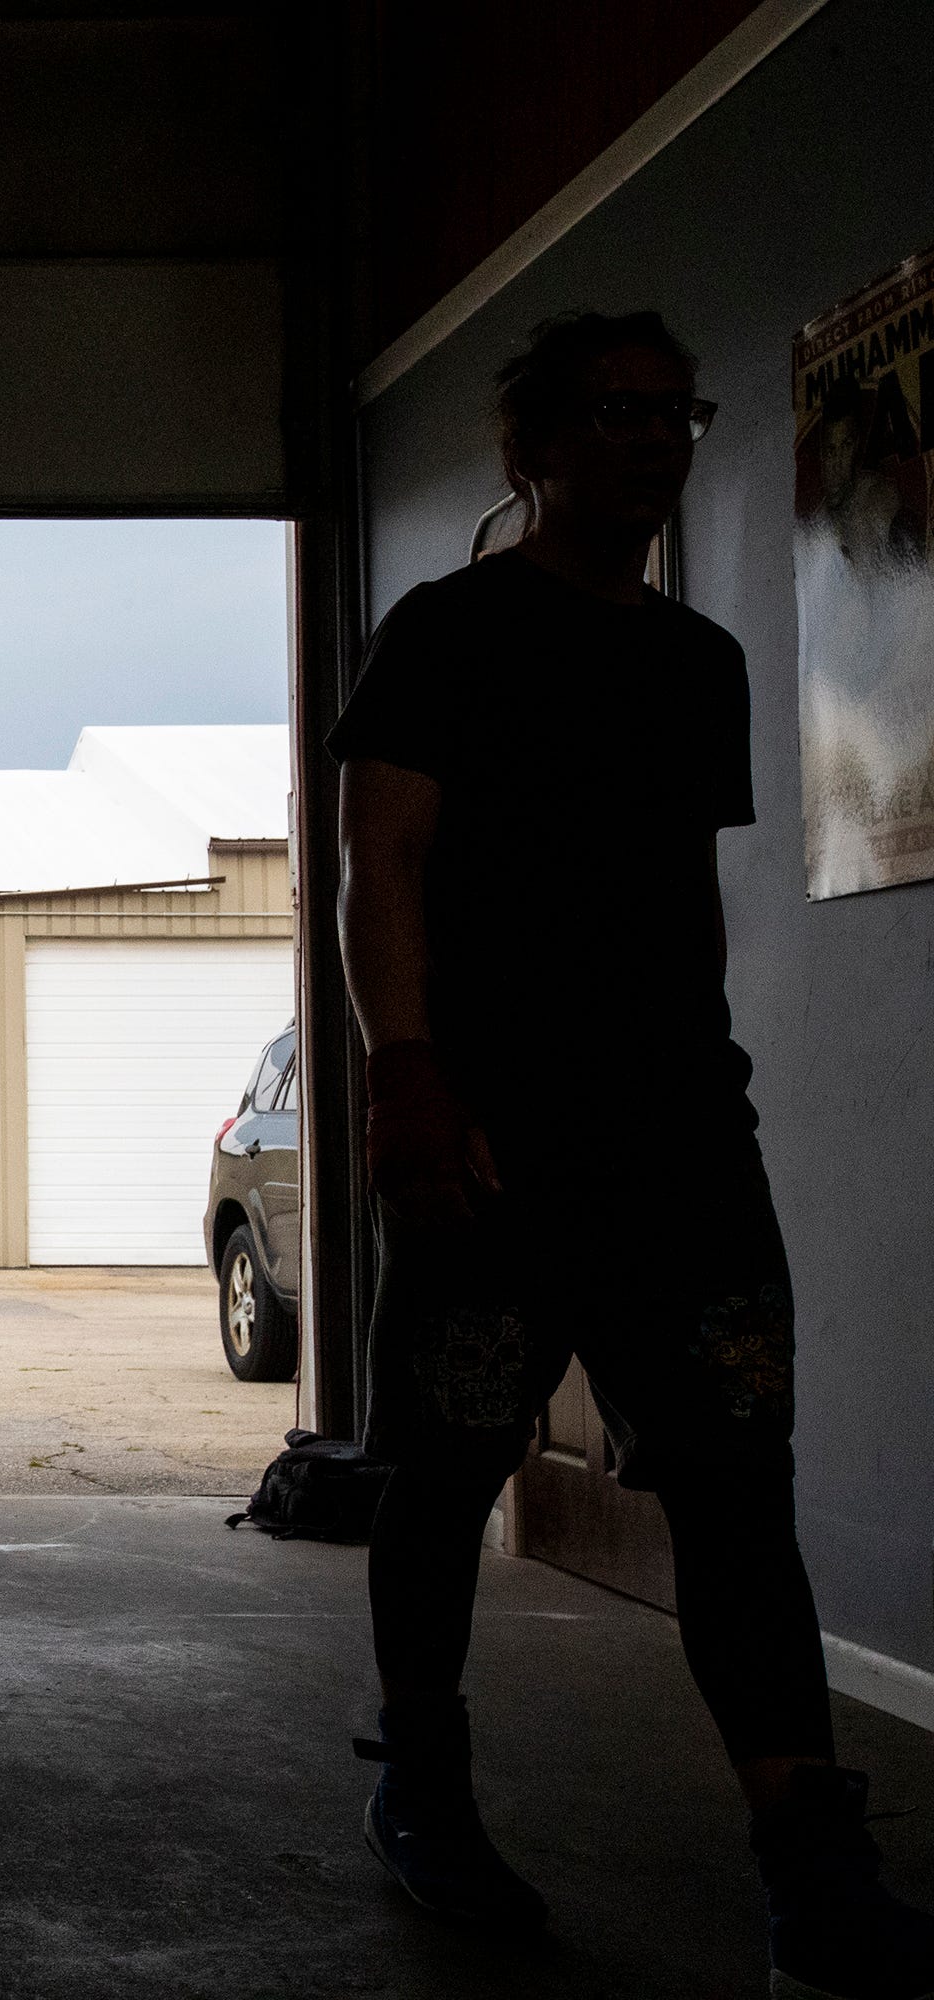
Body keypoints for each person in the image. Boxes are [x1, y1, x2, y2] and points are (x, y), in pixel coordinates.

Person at [335, 313, 934, 1993]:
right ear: (531, 446)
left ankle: (814, 1869)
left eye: (679, 415)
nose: (656, 442)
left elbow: (672, 908)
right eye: (617, 414)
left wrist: (685, 1081)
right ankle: (424, 1782)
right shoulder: (443, 636)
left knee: (741, 1494)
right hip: (487, 1148)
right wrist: (408, 1081)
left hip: (682, 1148)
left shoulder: (702, 663)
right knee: (448, 1473)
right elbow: (379, 866)